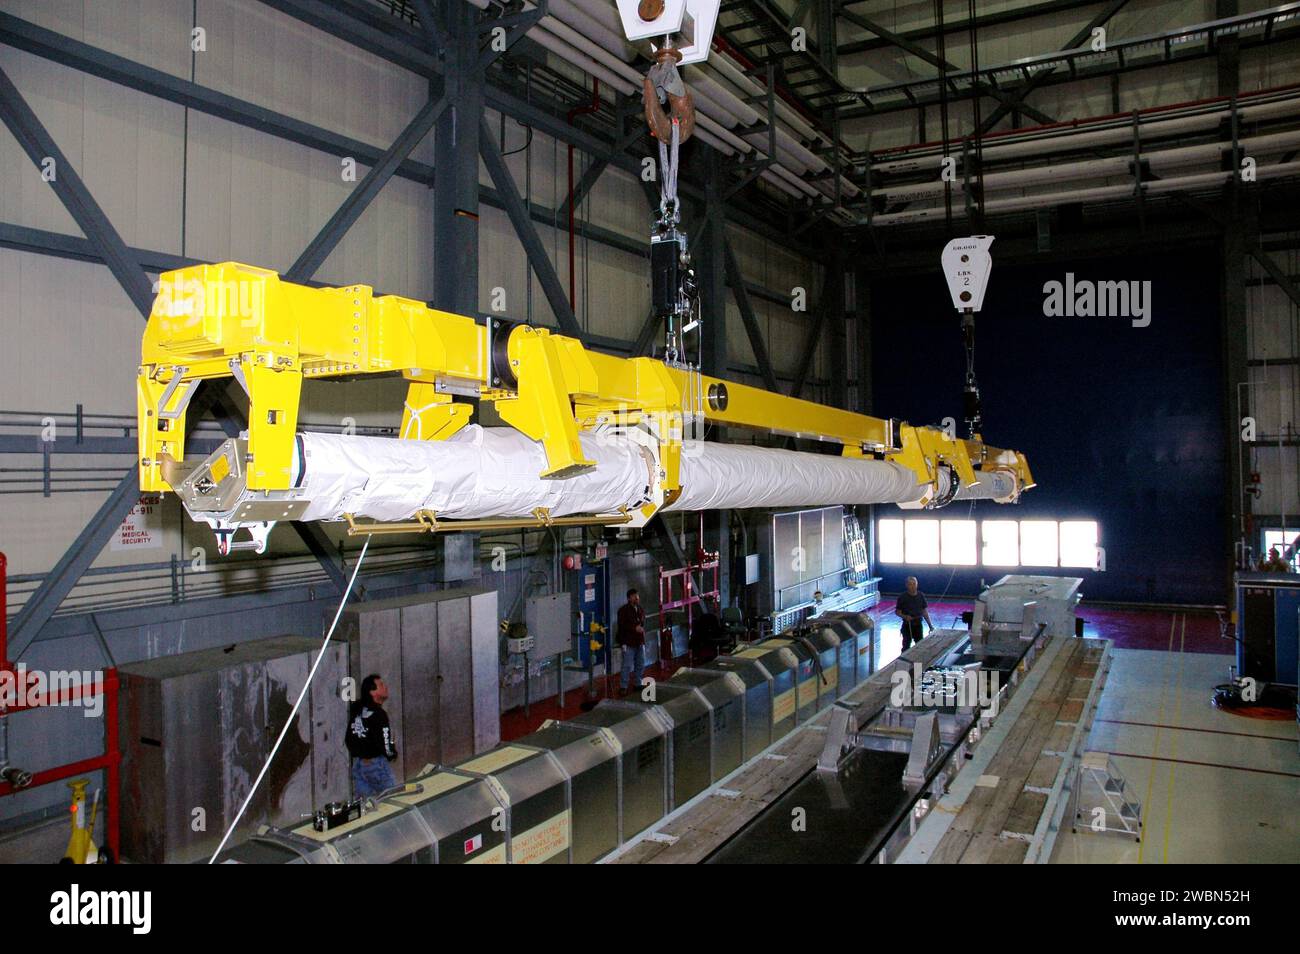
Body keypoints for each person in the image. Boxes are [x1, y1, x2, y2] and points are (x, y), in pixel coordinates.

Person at [346, 674, 398, 798]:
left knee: (365, 805)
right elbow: (384, 741)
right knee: (390, 799)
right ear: (372, 692)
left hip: (359, 765)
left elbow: (349, 737)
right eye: (381, 685)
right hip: (376, 765)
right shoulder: (379, 714)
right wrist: (392, 753)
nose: (385, 687)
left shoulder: (357, 709)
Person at [617, 587, 647, 695]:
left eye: (637, 596)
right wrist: (634, 628)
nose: (637, 598)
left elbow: (642, 621)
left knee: (640, 663)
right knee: (627, 665)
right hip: (628, 642)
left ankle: (637, 683)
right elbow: (622, 625)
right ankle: (623, 686)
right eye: (635, 596)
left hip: (639, 641)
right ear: (629, 598)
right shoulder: (623, 611)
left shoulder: (640, 609)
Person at [895, 576, 934, 652]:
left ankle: (918, 664)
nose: (913, 586)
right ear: (907, 585)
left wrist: (930, 625)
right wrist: (905, 616)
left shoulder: (921, 596)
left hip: (918, 625)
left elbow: (924, 612)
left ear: (917, 584)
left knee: (919, 648)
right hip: (907, 625)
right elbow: (897, 612)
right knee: (906, 647)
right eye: (910, 584)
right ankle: (904, 664)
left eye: (914, 584)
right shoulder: (902, 597)